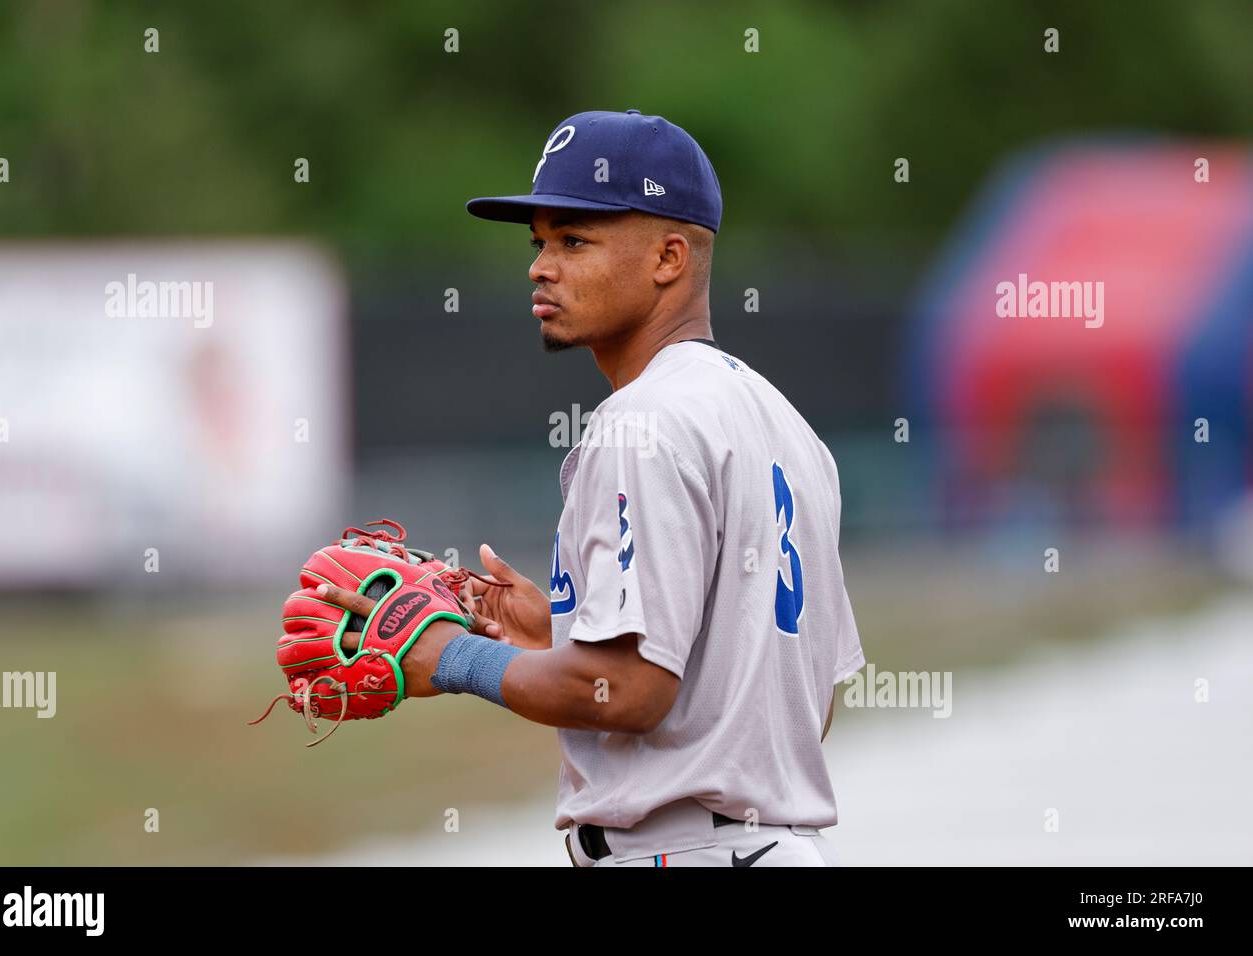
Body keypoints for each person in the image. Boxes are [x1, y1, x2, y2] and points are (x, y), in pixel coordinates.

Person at [318, 109, 864, 866]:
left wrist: (450, 656)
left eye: (575, 240)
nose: (541, 266)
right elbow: (800, 705)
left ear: (669, 256)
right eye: (539, 242)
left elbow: (631, 693)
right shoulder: (788, 428)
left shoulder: (638, 422)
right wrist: (566, 640)